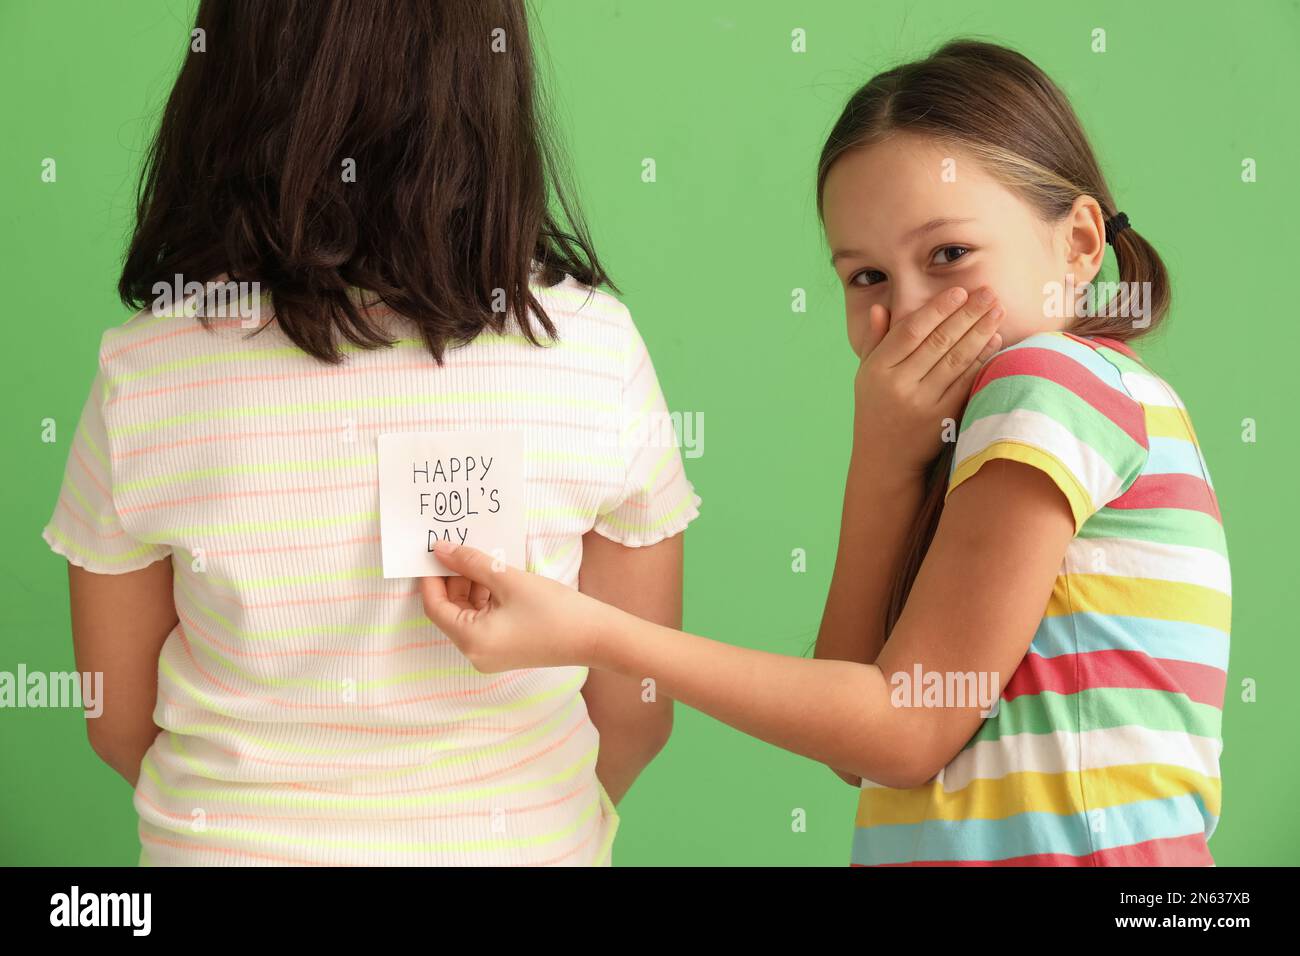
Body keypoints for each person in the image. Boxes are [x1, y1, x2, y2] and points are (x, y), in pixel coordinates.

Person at [421, 40, 1230, 867]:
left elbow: (904, 729)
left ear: (1080, 245)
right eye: (866, 277)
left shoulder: (1050, 383)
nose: (908, 309)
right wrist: (881, 457)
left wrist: (594, 632)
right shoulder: (1022, 417)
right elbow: (858, 738)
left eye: (949, 255)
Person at [41, 0, 701, 866]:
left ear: (228, 78)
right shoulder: (594, 351)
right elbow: (636, 711)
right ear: (490, 85)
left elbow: (116, 717)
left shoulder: (147, 369)